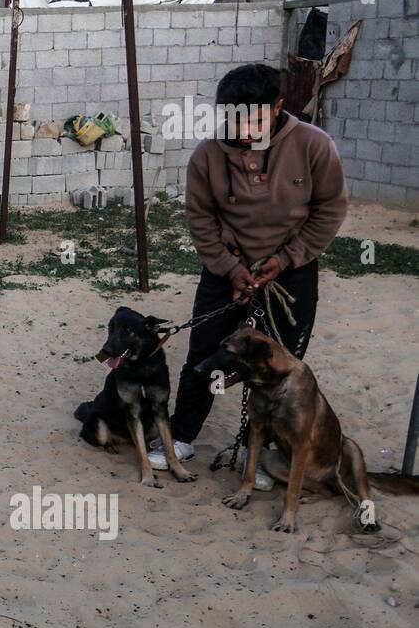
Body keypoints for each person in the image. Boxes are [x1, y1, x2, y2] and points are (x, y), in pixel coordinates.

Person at [149, 63, 348, 486]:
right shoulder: (207, 155)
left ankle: (261, 453)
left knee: (277, 367)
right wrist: (229, 267)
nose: (243, 128)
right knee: (205, 356)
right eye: (234, 118)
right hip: (226, 271)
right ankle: (182, 436)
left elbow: (329, 210)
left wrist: (290, 257)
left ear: (278, 107)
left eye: (254, 118)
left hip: (290, 275)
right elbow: (200, 219)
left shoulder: (314, 146)